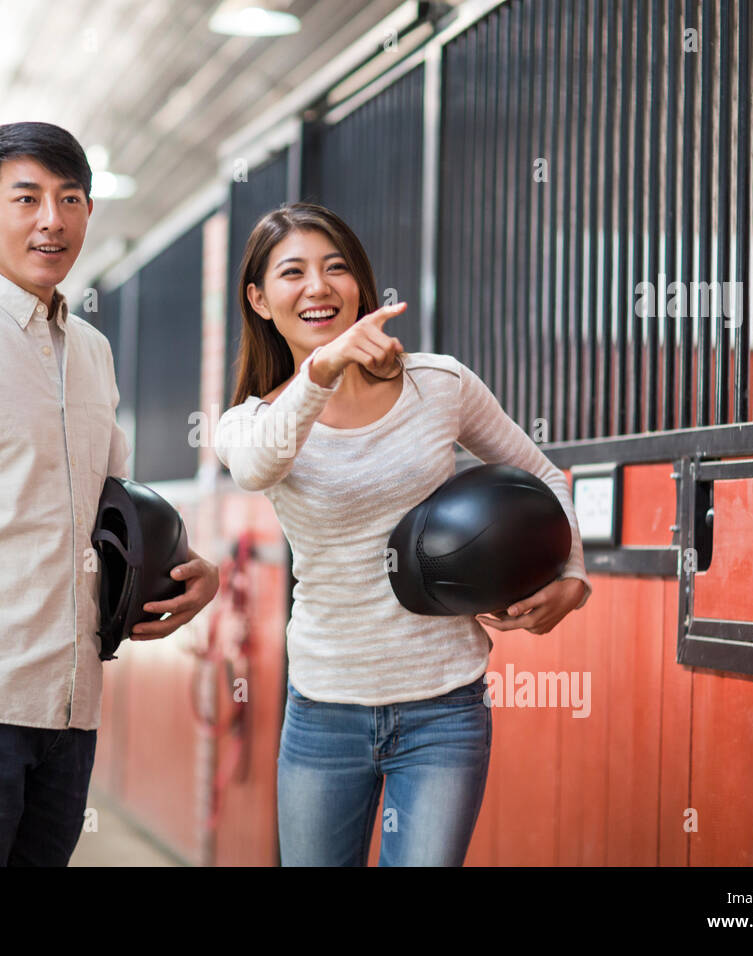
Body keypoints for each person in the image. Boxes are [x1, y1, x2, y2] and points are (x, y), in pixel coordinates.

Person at [0, 121, 219, 866]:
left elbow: (113, 504)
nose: (52, 219)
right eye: (27, 199)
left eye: (71, 198)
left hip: (69, 710)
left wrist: (192, 568)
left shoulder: (91, 352)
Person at [214, 202, 591, 866]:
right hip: (324, 710)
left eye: (335, 268)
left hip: (443, 707)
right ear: (260, 299)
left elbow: (543, 475)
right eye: (292, 273)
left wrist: (575, 577)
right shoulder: (250, 423)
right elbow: (257, 466)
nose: (318, 287)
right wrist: (321, 374)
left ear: (359, 284)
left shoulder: (438, 384)